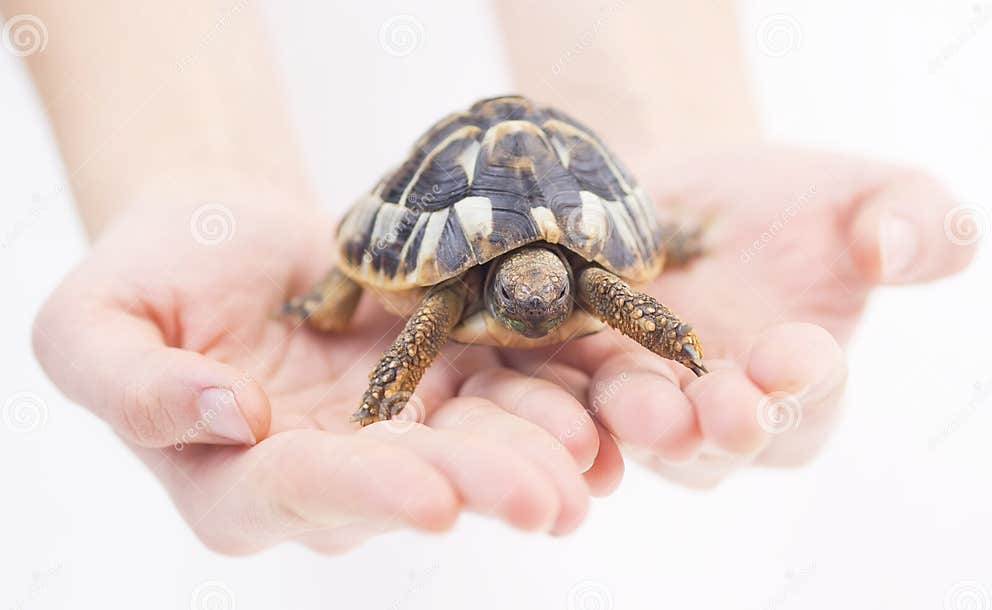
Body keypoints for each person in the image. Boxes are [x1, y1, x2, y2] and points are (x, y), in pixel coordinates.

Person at [8, 0, 974, 555]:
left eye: (551, 289)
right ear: (496, 286)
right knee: (369, 299)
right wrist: (193, 171)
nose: (538, 300)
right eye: (524, 292)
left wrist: (682, 343)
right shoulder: (455, 294)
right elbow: (429, 321)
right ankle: (331, 303)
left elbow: (618, 296)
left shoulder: (587, 284)